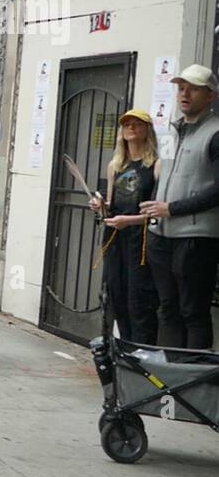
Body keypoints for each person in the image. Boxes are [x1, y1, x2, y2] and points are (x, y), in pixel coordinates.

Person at [141, 64, 219, 350]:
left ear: (210, 96)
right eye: (181, 88)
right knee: (168, 309)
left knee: (193, 312)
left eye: (194, 88)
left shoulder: (215, 133)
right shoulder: (173, 133)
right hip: (162, 236)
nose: (184, 94)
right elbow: (163, 178)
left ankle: (194, 385)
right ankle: (173, 381)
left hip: (196, 238)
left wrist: (172, 208)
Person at [88, 110, 159, 346]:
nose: (131, 128)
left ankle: (143, 354)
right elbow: (111, 204)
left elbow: (157, 212)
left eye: (137, 124)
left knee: (138, 300)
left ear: (147, 130)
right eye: (126, 124)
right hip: (115, 236)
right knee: (117, 296)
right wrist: (100, 205)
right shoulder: (115, 165)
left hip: (141, 239)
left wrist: (131, 221)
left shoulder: (156, 166)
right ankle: (126, 352)